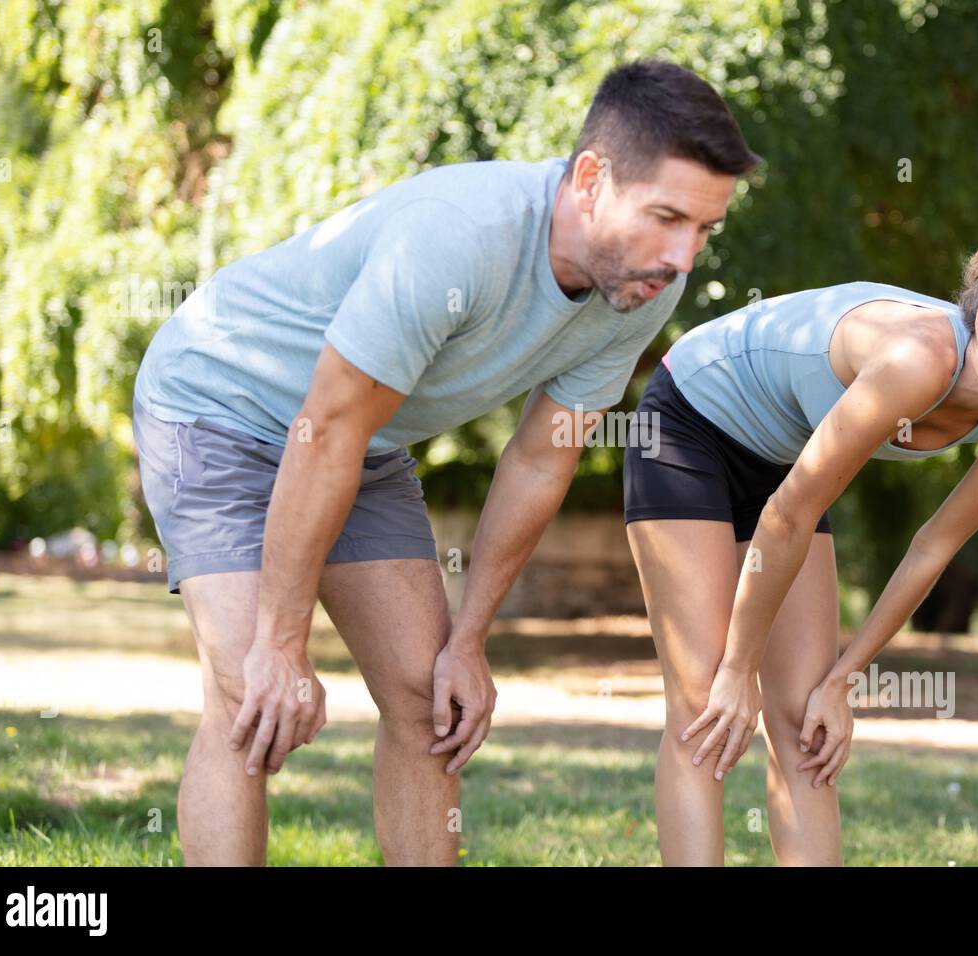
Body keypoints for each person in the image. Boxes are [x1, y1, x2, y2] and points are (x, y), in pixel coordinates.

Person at [131, 58, 760, 865]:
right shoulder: (460, 237)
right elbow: (321, 431)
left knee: (430, 704)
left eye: (704, 230)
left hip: (360, 436)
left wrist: (469, 639)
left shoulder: (641, 286)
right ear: (592, 179)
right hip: (219, 404)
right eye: (667, 217)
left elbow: (540, 460)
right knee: (248, 695)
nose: (683, 256)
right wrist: (281, 642)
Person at [623, 214, 978, 865]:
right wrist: (739, 668)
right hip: (690, 421)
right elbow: (787, 519)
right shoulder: (915, 360)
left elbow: (932, 546)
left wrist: (843, 677)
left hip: (786, 460)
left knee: (806, 725)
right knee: (704, 706)